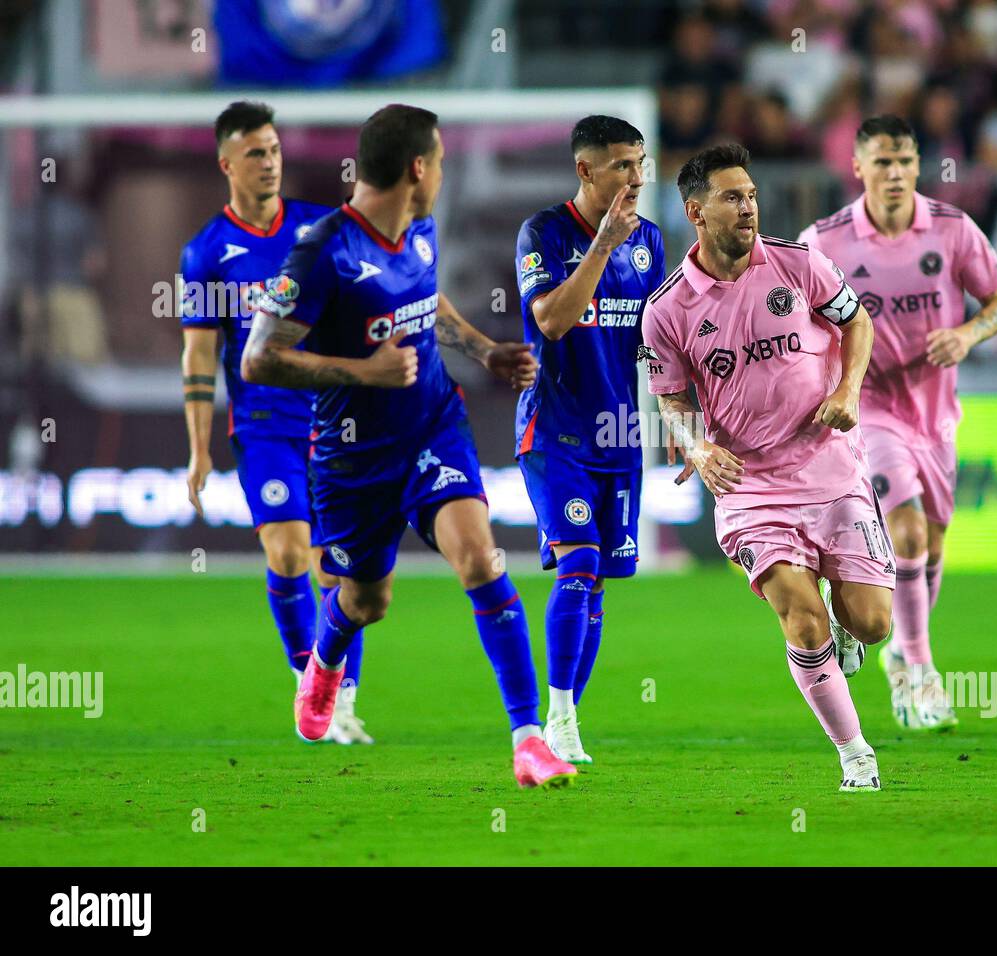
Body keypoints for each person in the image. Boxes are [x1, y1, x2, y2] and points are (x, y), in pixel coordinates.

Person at [241, 104, 576, 789]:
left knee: (482, 558)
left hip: (432, 427)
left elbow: (428, 302)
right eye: (443, 160)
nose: (446, 172)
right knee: (368, 603)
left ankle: (528, 741)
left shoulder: (418, 230)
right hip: (351, 456)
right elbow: (258, 358)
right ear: (417, 168)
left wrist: (482, 350)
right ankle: (326, 657)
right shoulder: (322, 249)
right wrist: (365, 372)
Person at [643, 143, 894, 793]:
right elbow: (668, 396)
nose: (748, 205)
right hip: (751, 487)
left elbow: (858, 323)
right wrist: (695, 445)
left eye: (751, 194)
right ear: (696, 212)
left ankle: (850, 631)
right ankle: (855, 756)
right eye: (733, 197)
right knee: (802, 618)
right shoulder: (667, 309)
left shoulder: (799, 264)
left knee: (873, 622)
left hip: (832, 469)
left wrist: (846, 391)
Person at [797, 115, 997, 731]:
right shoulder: (826, 240)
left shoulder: (950, 229)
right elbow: (794, 316)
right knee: (909, 532)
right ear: (858, 168)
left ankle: (897, 644)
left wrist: (969, 333)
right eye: (882, 163)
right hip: (870, 410)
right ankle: (920, 673)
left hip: (936, 413)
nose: (894, 174)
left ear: (917, 167)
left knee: (933, 543)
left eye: (905, 162)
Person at [179, 100, 370, 744]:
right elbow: (200, 353)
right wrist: (198, 449)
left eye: (275, 150)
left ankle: (341, 694)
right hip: (263, 424)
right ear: (226, 162)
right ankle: (308, 681)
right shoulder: (206, 253)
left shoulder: (321, 232)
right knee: (289, 552)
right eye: (255, 153)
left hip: (332, 419)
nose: (269, 163)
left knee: (338, 567)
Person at [513, 116, 665, 764]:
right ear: (586, 170)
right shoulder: (543, 233)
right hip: (554, 428)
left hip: (621, 433)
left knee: (597, 578)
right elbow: (549, 321)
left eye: (640, 163)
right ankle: (559, 716)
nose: (635, 177)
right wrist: (601, 245)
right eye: (622, 165)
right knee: (576, 564)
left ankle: (569, 713)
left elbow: (659, 343)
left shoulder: (652, 242)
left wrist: (682, 423)